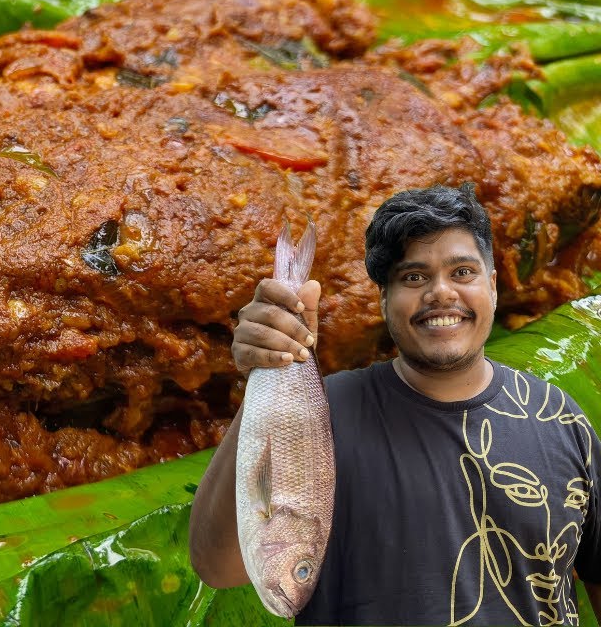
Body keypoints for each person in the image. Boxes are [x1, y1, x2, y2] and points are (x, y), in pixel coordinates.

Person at [188, 184, 601, 625]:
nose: (441, 293)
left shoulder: (558, 417)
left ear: (493, 285)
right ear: (384, 299)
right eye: (414, 277)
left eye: (462, 272)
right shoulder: (328, 412)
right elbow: (217, 565)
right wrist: (267, 371)